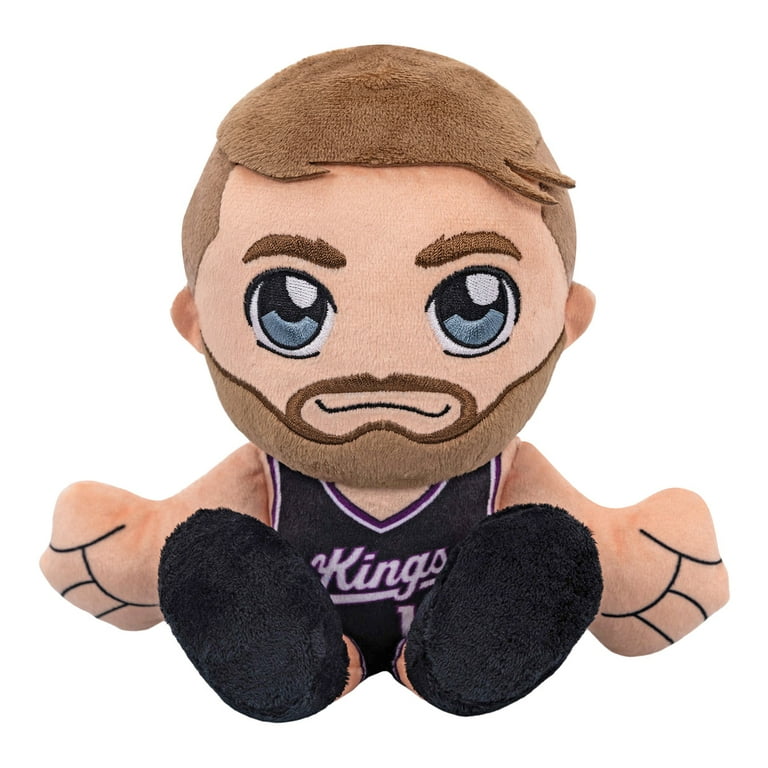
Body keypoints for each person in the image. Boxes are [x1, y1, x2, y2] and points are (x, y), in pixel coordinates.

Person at [41, 45, 728, 721]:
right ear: (198, 320)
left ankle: (447, 668)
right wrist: (135, 548)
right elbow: (161, 547)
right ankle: (307, 669)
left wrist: (634, 559)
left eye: (473, 306)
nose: (379, 367)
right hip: (299, 638)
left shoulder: (508, 471)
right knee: (208, 553)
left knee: (548, 549)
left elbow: (607, 560)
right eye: (289, 307)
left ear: (565, 318)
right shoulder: (262, 475)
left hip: (455, 637)